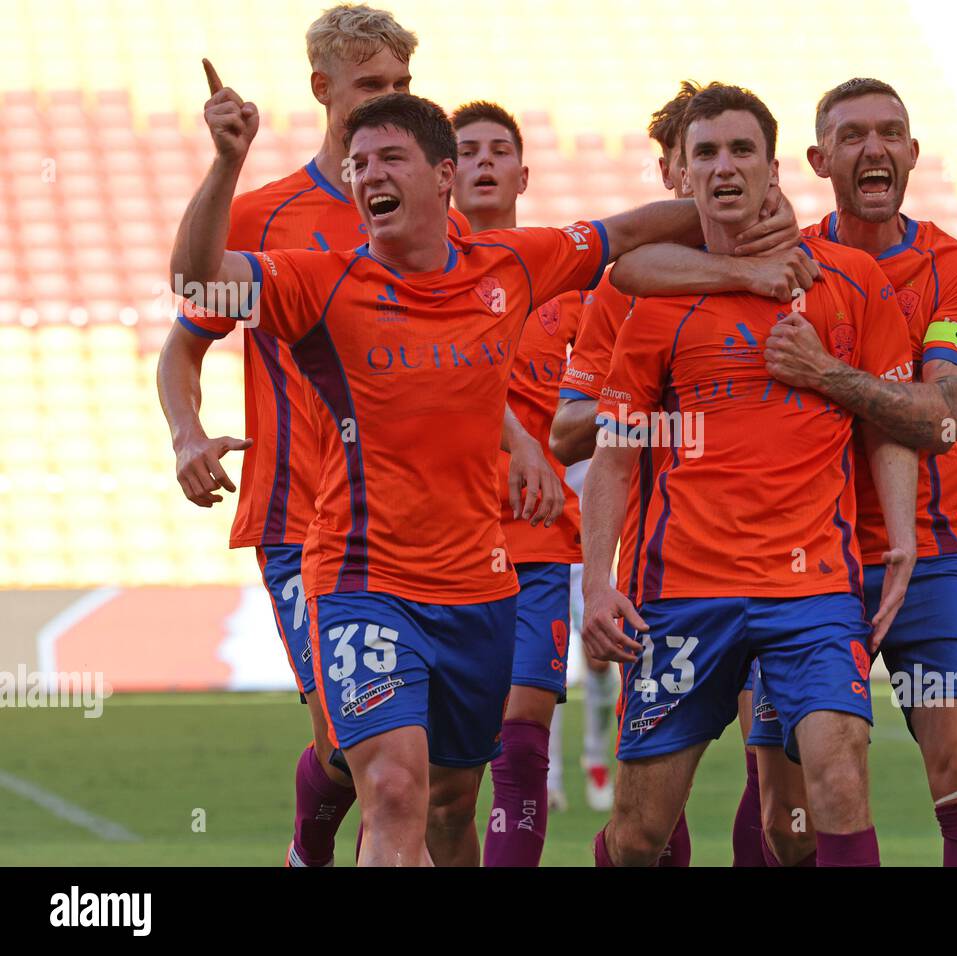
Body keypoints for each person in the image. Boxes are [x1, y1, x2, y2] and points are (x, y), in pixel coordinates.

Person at [170, 80, 737, 864]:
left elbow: (627, 231)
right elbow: (199, 283)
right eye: (360, 162)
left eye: (390, 158)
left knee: (448, 802)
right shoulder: (320, 282)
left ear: (441, 177)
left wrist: (747, 223)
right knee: (395, 791)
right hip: (360, 578)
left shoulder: (510, 265)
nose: (369, 175)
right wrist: (226, 164)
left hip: (479, 589)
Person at [152, 5, 545, 868]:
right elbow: (183, 345)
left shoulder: (429, 210)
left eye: (403, 86)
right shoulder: (265, 217)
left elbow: (451, 358)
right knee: (365, 753)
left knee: (430, 779)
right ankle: (311, 845)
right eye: (373, 86)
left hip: (427, 532)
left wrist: (515, 438)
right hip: (303, 523)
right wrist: (187, 434)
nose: (391, 99)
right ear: (322, 90)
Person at [611, 77, 957, 867]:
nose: (876, 149)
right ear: (818, 159)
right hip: (794, 566)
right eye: (854, 136)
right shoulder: (784, 251)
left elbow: (942, 418)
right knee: (785, 819)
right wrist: (743, 273)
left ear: (913, 153)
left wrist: (826, 374)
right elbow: (635, 261)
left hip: (923, 554)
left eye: (891, 133)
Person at [550, 81, 806, 864]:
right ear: (672, 175)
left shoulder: (798, 261)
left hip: (787, 564)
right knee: (656, 818)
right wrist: (661, 401)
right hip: (673, 570)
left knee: (783, 802)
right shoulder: (629, 293)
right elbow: (568, 432)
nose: (715, 173)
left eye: (739, 153)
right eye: (694, 157)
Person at [448, 99, 583, 865]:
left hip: (537, 543)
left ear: (524, 173)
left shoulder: (567, 292)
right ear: (445, 171)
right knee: (436, 772)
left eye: (501, 150)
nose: (486, 162)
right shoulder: (411, 278)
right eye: (468, 150)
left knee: (523, 746)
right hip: (442, 547)